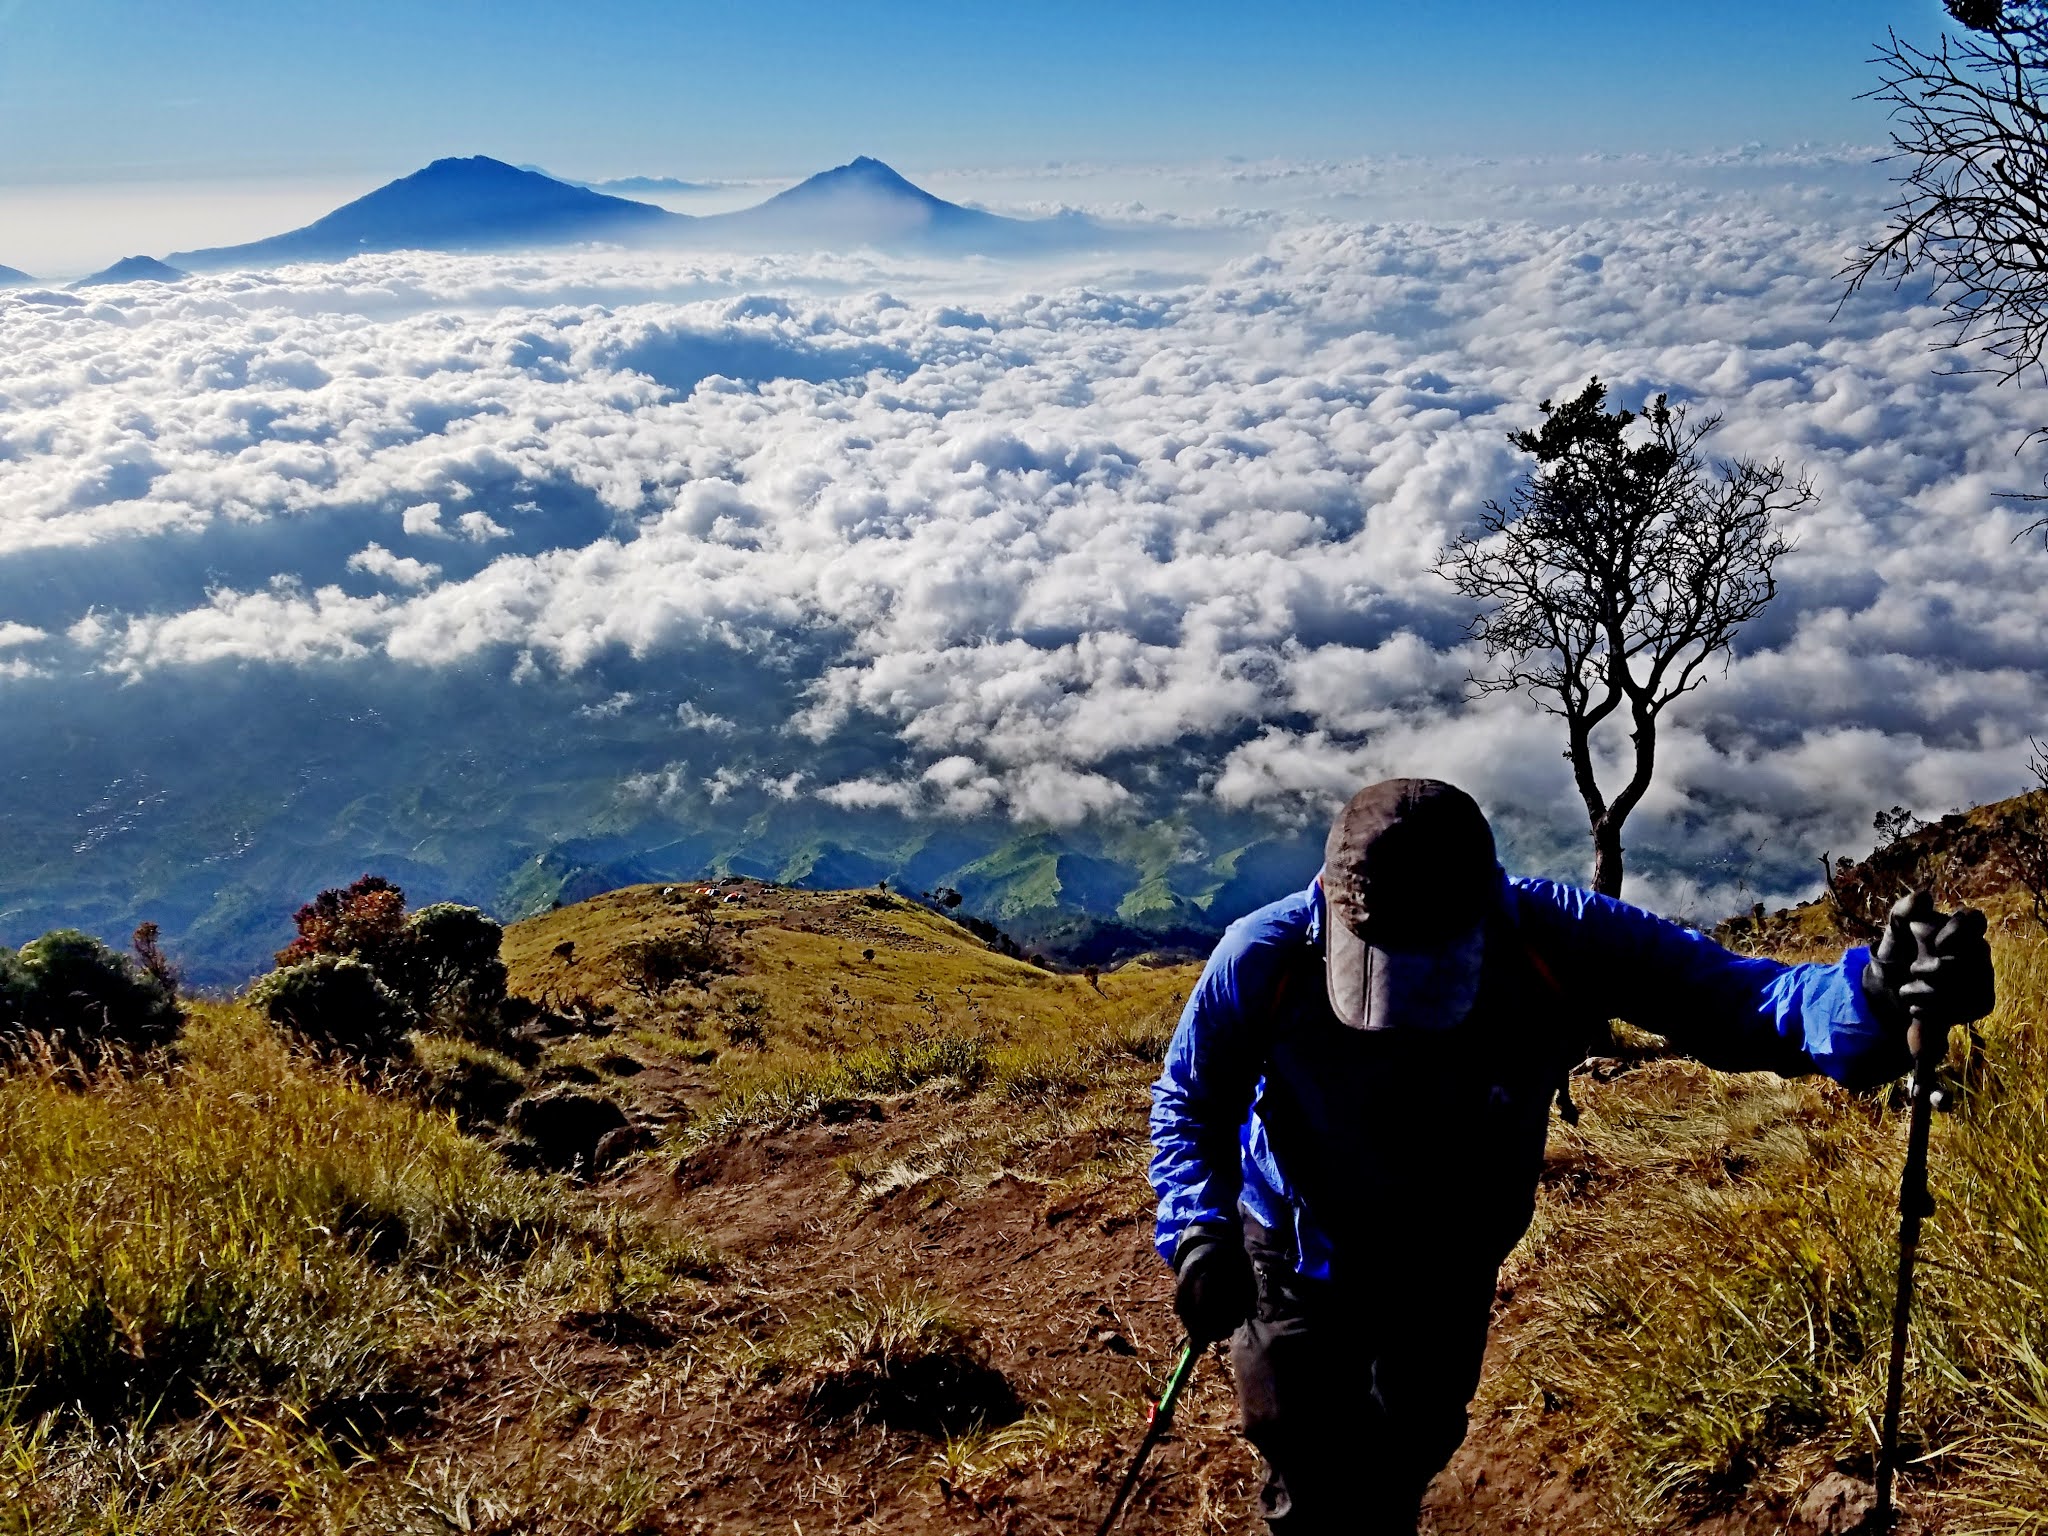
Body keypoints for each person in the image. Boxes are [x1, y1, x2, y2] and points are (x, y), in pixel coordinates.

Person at [1148, 778, 1994, 1535]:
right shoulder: (1263, 958)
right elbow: (1192, 1100)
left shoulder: (1559, 939)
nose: (1403, 1012)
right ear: (1330, 906)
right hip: (1296, 1250)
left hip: (1449, 1261)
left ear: (1487, 906)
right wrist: (1200, 1234)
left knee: (1415, 1436)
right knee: (1299, 1451)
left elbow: (1741, 998)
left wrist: (1874, 1000)